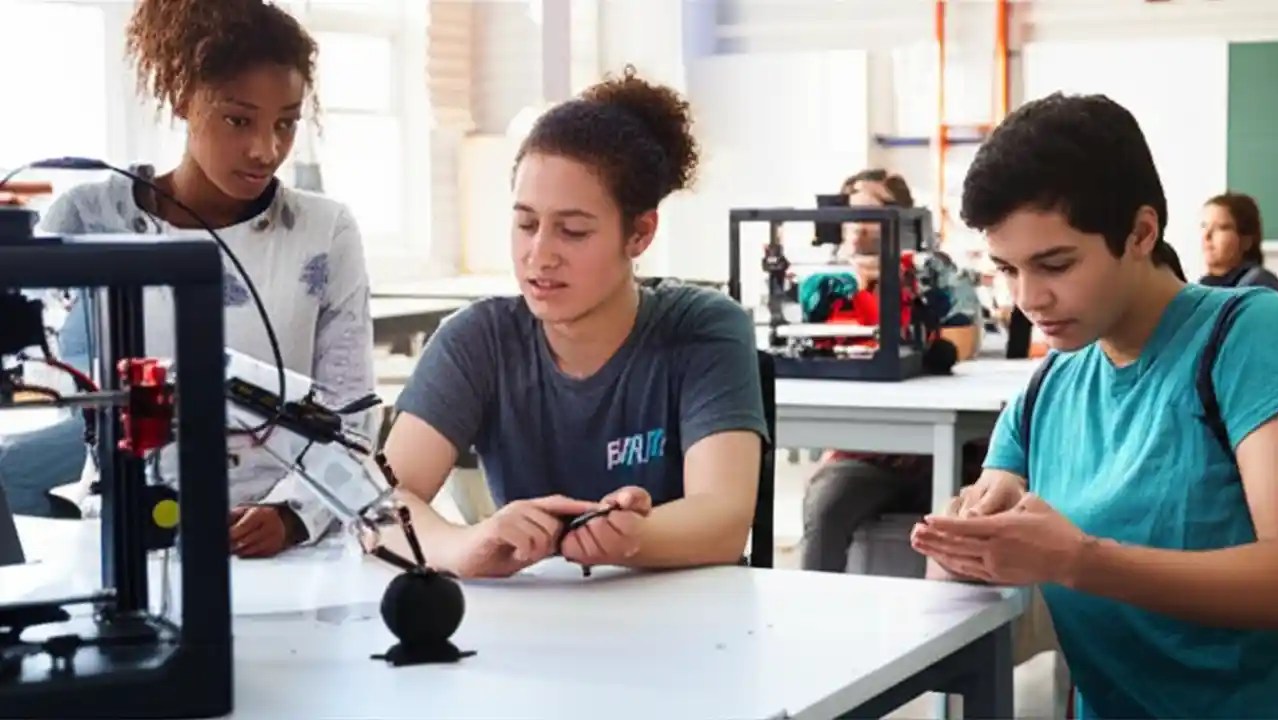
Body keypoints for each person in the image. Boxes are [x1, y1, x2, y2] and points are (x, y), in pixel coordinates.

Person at [911, 92, 1278, 718]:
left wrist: (1079, 561)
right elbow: (981, 536)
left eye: (1055, 265)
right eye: (1007, 269)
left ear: (1141, 233)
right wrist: (967, 550)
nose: (1029, 298)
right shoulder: (1049, 387)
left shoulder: (1247, 336)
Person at [1, 0, 375, 558]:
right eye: (238, 120)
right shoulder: (89, 216)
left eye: (285, 123)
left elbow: (352, 413)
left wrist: (293, 515)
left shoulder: (324, 231)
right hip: (127, 543)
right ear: (183, 96)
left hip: (286, 549)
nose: (266, 150)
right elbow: (34, 360)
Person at [381, 66, 768, 580]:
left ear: (640, 234)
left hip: (686, 613)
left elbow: (723, 519)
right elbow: (379, 505)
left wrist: (635, 536)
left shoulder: (703, 328)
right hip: (538, 616)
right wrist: (465, 545)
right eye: (526, 224)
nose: (539, 255)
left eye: (573, 231)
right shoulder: (478, 340)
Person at [798, 171, 985, 574]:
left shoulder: (931, 270)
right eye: (849, 211)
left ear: (901, 217)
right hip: (863, 454)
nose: (856, 223)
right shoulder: (826, 278)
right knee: (827, 504)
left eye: (869, 211)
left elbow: (962, 336)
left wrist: (933, 346)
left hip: (944, 453)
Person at [1199, 192, 1278, 291]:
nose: (1206, 235)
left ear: (1246, 241)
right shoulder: (1204, 285)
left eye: (1221, 227)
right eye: (1204, 226)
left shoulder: (1258, 284)